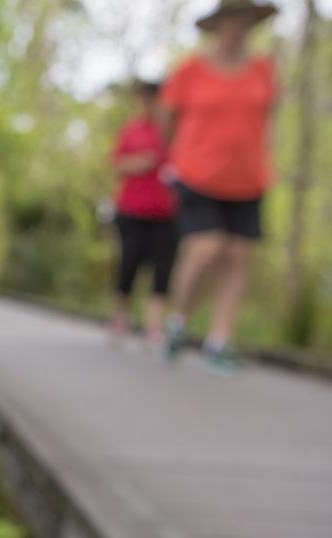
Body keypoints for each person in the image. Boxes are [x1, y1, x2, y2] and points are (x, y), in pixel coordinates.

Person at [160, 0, 279, 369]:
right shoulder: (190, 71)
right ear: (217, 25)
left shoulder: (264, 70)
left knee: (238, 258)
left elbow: (269, 120)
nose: (239, 27)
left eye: (246, 20)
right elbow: (168, 122)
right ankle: (179, 321)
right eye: (232, 19)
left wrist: (268, 159)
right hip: (197, 174)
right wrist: (174, 163)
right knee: (206, 248)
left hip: (248, 178)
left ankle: (218, 341)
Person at [109, 81, 178, 345]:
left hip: (166, 213)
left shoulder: (171, 133)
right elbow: (116, 165)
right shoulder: (131, 131)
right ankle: (120, 318)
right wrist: (139, 163)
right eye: (145, 99)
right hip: (132, 210)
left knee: (163, 269)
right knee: (129, 264)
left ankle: (153, 326)